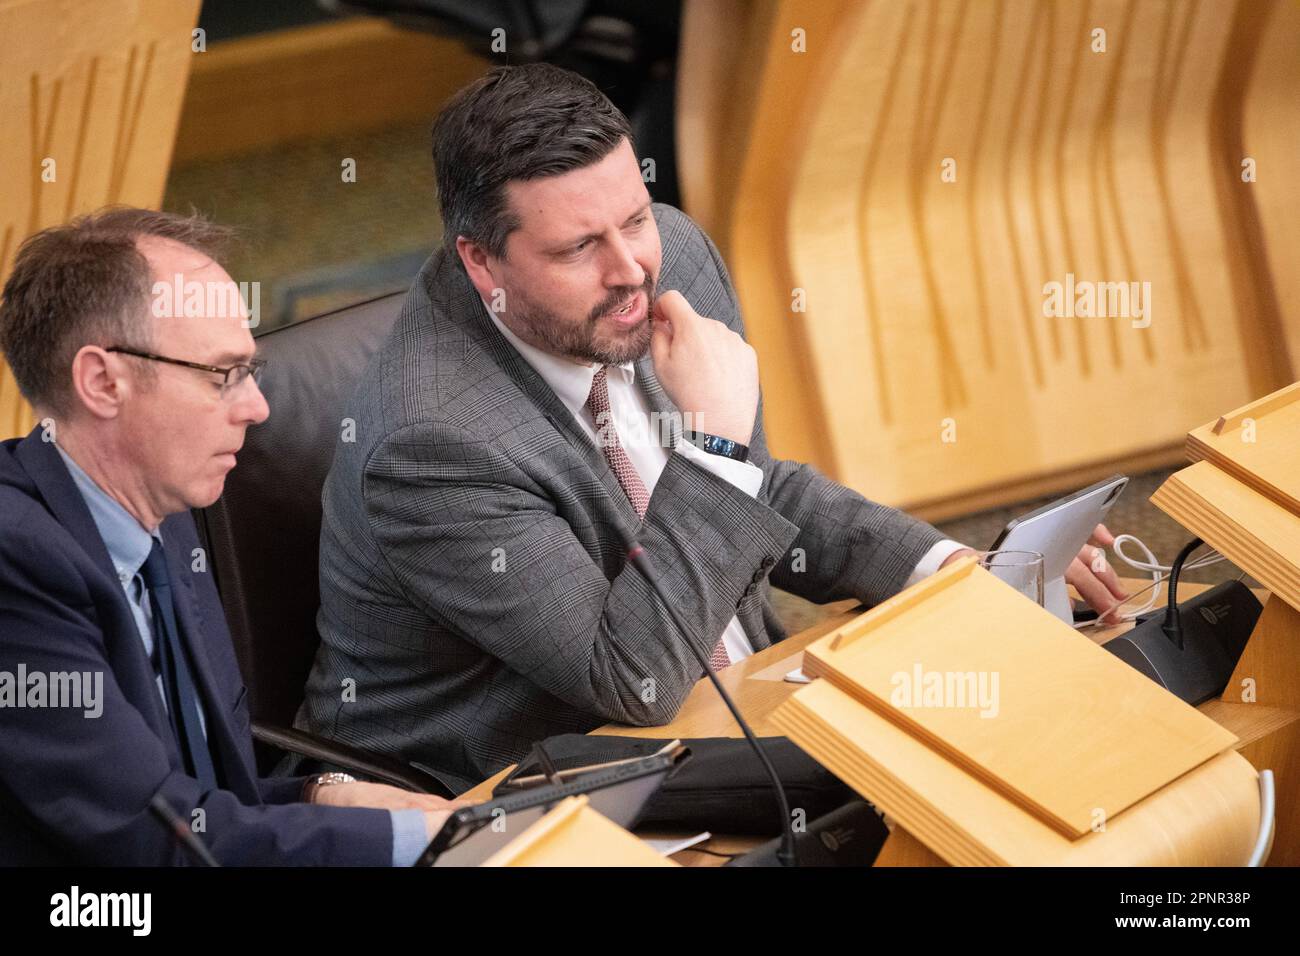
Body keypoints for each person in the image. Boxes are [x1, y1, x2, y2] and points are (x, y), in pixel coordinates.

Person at [296, 63, 1129, 792]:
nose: (631, 271)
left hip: (740, 697)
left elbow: (762, 494)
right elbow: (634, 678)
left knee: (1046, 735)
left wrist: (953, 568)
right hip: (537, 784)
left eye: (633, 218)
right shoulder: (433, 445)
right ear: (482, 261)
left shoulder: (675, 258)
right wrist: (715, 447)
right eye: (579, 246)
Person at [0, 209, 463, 864]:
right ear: (104, 382)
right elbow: (153, 838)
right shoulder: (16, 559)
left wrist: (320, 795)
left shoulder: (166, 508)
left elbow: (207, 796)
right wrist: (434, 840)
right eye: (223, 375)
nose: (256, 407)